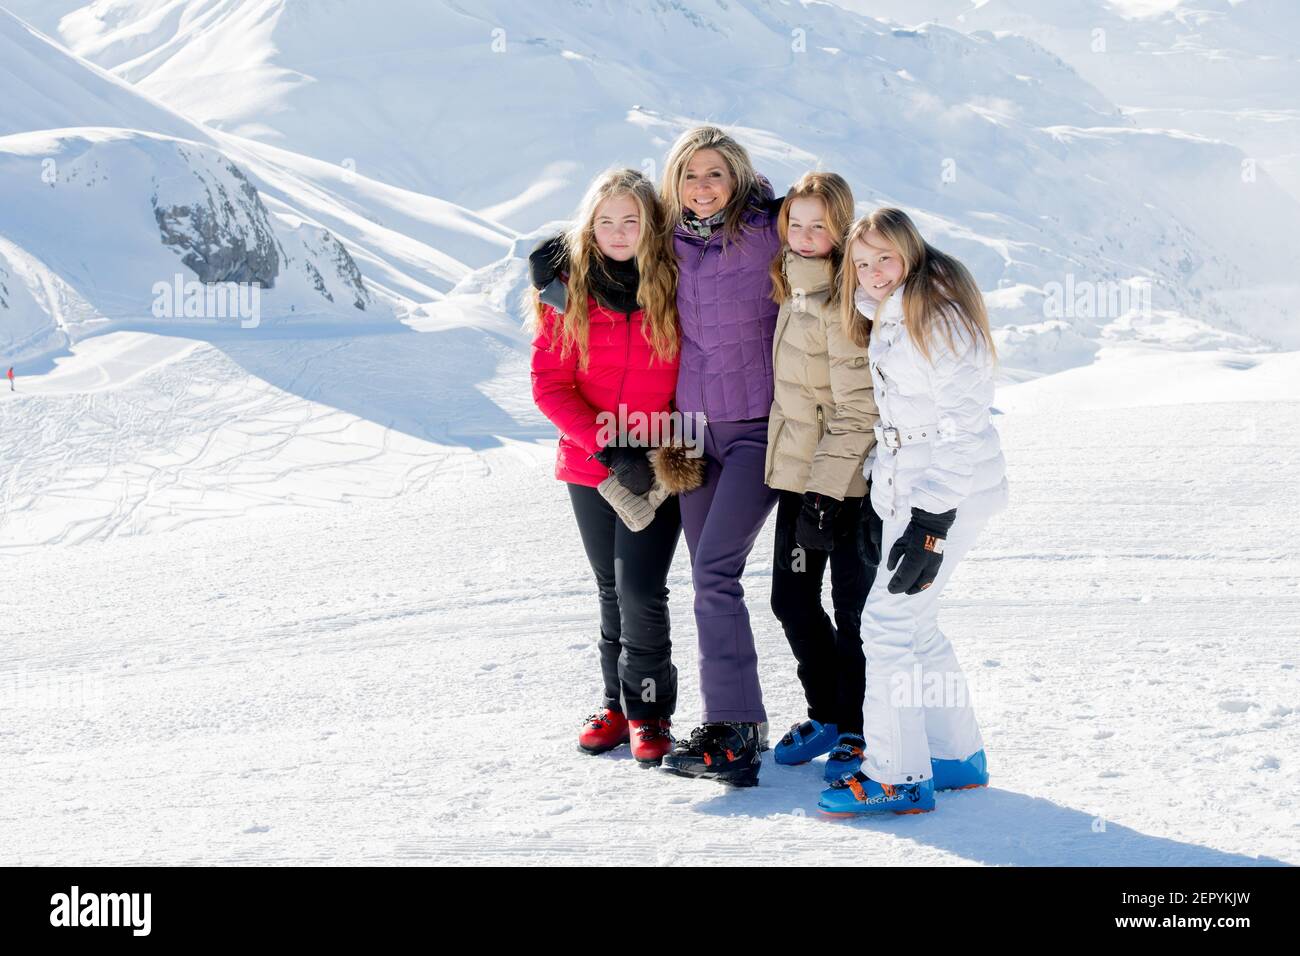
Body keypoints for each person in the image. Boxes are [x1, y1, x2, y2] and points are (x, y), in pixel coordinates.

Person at [817, 208, 1008, 816]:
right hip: (917, 492)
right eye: (862, 262)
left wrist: (930, 522)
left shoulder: (936, 316)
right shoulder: (891, 317)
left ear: (910, 256)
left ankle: (896, 776)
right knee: (915, 625)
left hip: (947, 495)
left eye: (885, 260)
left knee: (888, 627)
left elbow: (960, 428)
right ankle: (955, 757)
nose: (873, 272)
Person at [529, 168, 685, 765]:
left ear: (651, 223)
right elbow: (550, 385)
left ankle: (650, 713)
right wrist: (607, 446)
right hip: (592, 463)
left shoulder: (675, 283)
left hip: (661, 459)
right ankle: (617, 706)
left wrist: (651, 448)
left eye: (631, 219)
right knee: (610, 588)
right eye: (606, 220)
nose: (619, 232)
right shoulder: (566, 291)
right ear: (589, 226)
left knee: (641, 587)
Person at [652, 126, 785, 788]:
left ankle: (733, 726)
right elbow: (604, 247)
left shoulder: (770, 229)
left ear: (737, 179)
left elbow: (840, 246)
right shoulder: (666, 242)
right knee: (708, 580)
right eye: (689, 176)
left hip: (759, 428)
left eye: (715, 175)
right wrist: (555, 267)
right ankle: (734, 724)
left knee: (714, 572)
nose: (702, 188)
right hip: (691, 432)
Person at [762, 172, 881, 784]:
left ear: (842, 228)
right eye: (796, 223)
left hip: (846, 489)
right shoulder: (792, 286)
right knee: (790, 599)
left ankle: (858, 724)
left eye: (821, 225)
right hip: (798, 478)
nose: (807, 236)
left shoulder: (845, 301)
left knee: (850, 607)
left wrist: (825, 494)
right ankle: (828, 713)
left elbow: (859, 409)